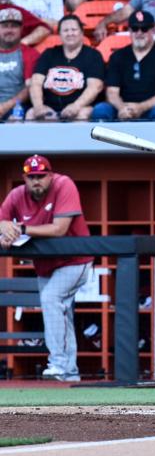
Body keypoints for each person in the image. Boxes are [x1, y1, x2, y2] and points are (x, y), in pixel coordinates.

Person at [0, 155, 92, 382]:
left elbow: (59, 229)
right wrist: (6, 231)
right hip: (45, 265)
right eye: (31, 177)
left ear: (50, 175)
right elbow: (2, 220)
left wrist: (21, 228)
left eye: (41, 176)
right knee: (61, 313)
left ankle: (58, 365)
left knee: (51, 299)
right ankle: (70, 372)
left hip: (75, 260)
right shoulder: (17, 194)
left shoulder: (63, 184)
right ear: (25, 178)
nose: (36, 181)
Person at [91, 11, 155, 121]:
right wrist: (122, 108)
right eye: (135, 29)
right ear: (129, 31)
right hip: (122, 107)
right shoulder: (117, 56)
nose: (139, 33)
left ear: (153, 30)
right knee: (100, 110)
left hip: (151, 107)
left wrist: (141, 107)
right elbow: (111, 92)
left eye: (144, 29)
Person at [27, 15, 103, 121]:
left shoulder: (93, 55)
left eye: (74, 30)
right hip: (50, 107)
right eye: (65, 30)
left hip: (81, 107)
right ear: (60, 34)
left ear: (82, 32)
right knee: (31, 113)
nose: (70, 33)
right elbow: (36, 83)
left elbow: (95, 87)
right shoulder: (49, 54)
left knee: (83, 113)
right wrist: (39, 107)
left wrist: (76, 106)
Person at [0, 7, 40, 121]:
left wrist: (4, 107)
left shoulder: (30, 54)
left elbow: (29, 88)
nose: (9, 30)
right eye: (5, 26)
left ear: (21, 29)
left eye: (14, 26)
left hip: (16, 107)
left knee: (15, 120)